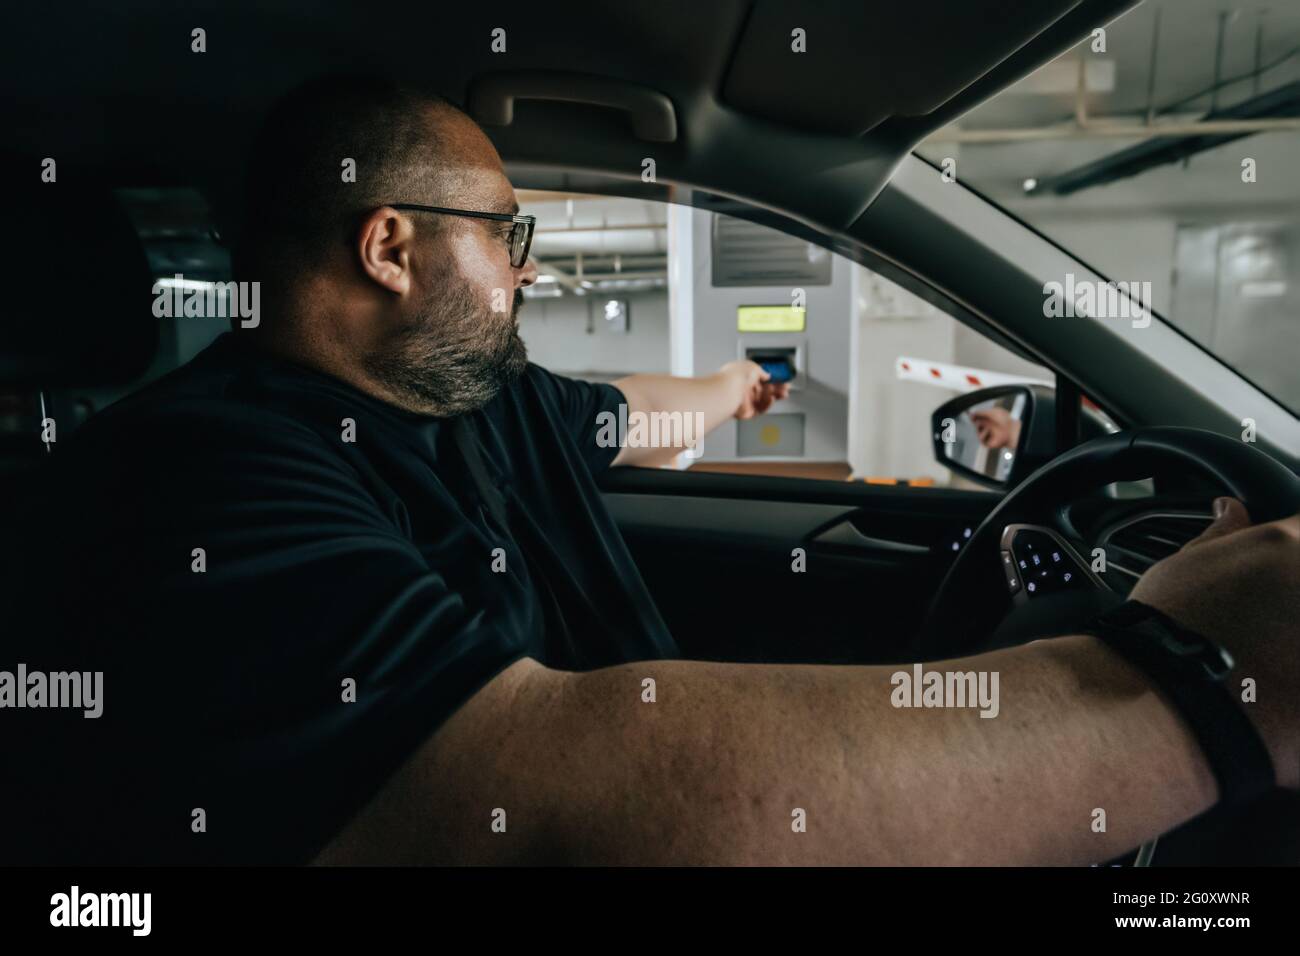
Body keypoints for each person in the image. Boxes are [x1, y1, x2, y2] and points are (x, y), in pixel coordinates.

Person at [5, 75, 1298, 866]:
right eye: (507, 233)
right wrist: (1187, 687)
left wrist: (741, 391)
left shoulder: (478, 399)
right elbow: (554, 805)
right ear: (391, 244)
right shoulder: (196, 482)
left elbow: (630, 417)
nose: (527, 268)